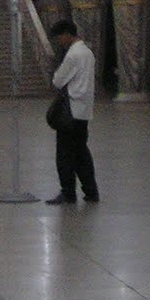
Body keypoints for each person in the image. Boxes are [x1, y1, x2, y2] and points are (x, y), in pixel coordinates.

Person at [46, 20, 98, 205]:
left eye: (59, 37)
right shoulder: (88, 53)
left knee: (65, 154)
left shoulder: (73, 55)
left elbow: (58, 81)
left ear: (67, 34)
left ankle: (68, 192)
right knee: (81, 153)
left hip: (70, 111)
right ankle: (91, 191)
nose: (59, 42)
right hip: (84, 111)